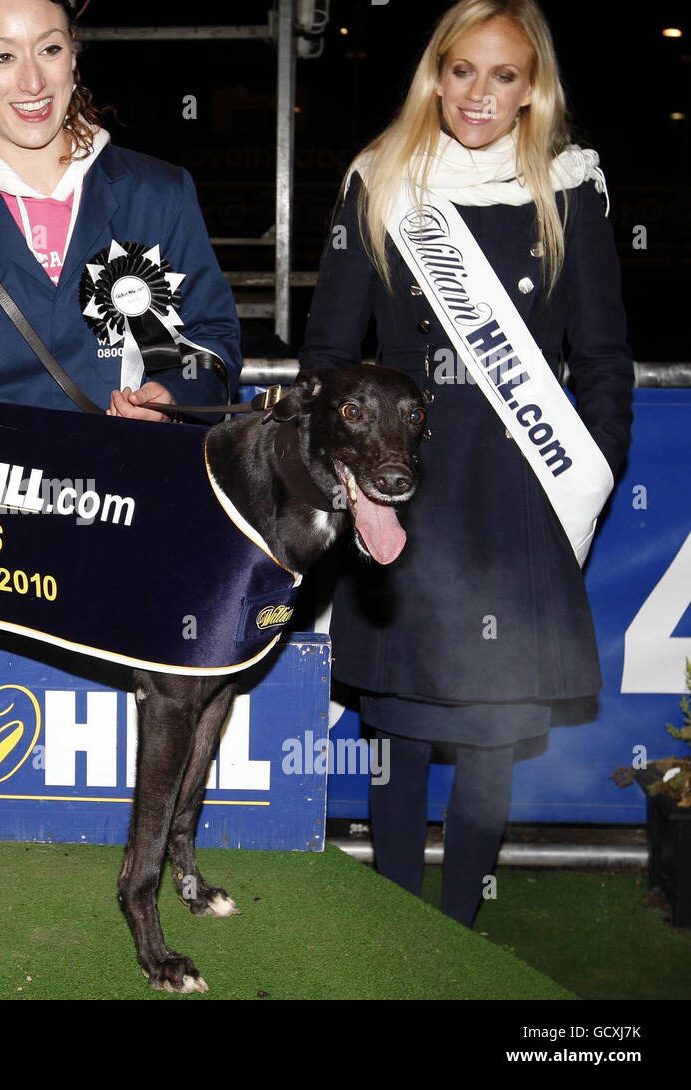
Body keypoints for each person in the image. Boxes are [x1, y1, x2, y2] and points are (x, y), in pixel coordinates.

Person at [298, 0, 633, 926]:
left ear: (533, 90)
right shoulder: (382, 180)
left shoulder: (571, 188)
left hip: (524, 491)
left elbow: (603, 359)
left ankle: (461, 933)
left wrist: (589, 475)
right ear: (434, 74)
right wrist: (355, 480)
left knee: (492, 734)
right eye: (462, 70)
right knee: (399, 730)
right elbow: (329, 351)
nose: (479, 93)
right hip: (407, 491)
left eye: (505, 75)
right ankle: (406, 935)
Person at [0, 0, 240, 419]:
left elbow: (212, 338)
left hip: (141, 474)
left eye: (49, 50)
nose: (32, 83)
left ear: (73, 52)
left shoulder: (159, 192)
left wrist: (174, 395)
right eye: (3, 56)